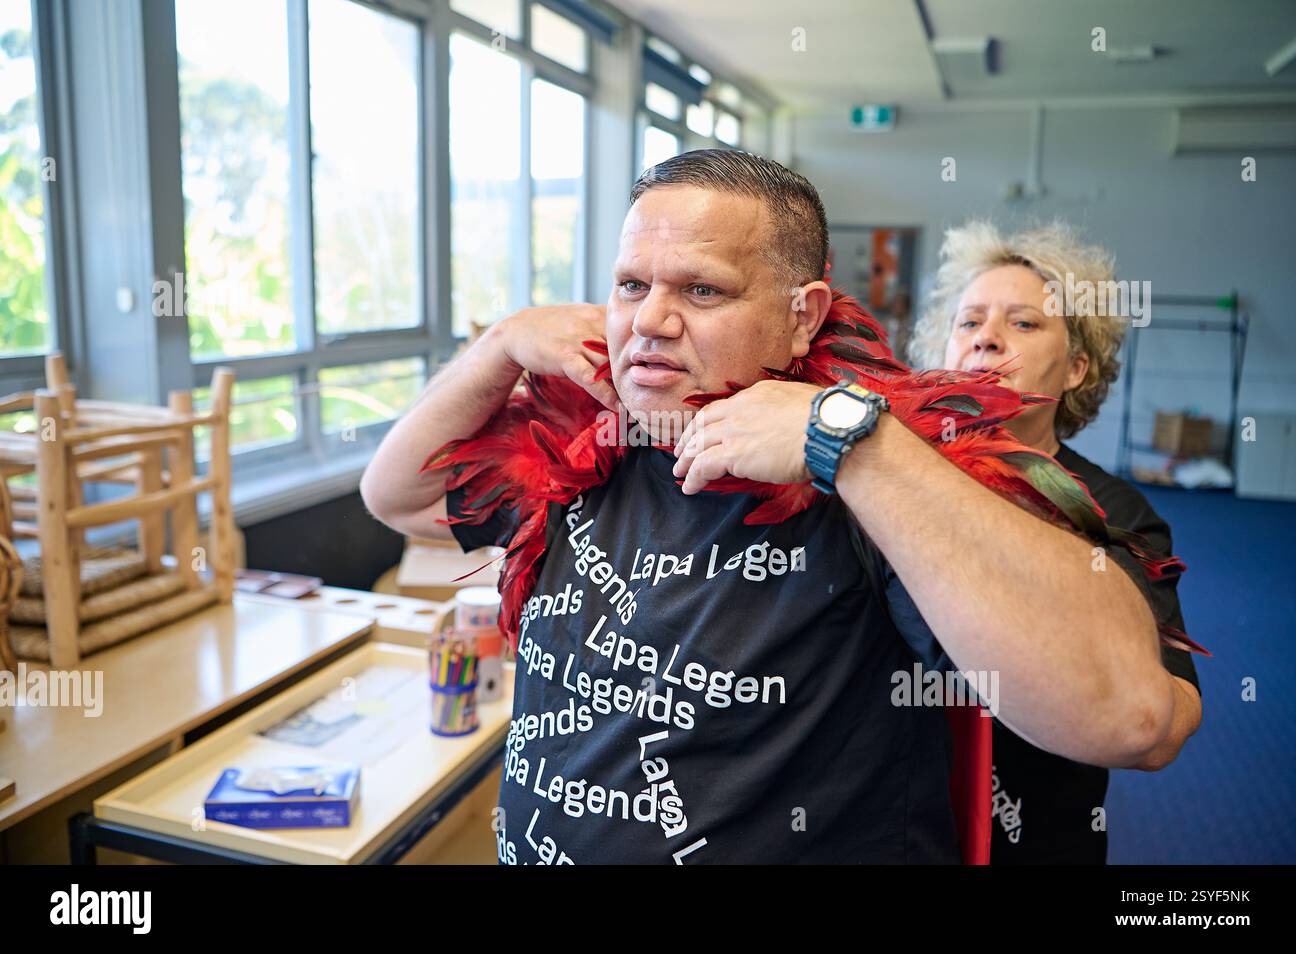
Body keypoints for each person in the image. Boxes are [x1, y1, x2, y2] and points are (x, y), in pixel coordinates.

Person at [361, 150, 1181, 864]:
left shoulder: (878, 476)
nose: (649, 319)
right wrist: (500, 344)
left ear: (804, 319)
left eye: (703, 290)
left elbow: (1128, 719)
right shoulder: (589, 445)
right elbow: (396, 495)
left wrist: (855, 445)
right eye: (630, 284)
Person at [908, 220, 1202, 864]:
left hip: (1034, 834)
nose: (986, 338)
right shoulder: (884, 471)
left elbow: (1161, 727)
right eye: (969, 322)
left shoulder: (1119, 512)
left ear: (1075, 369)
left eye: (1023, 323)